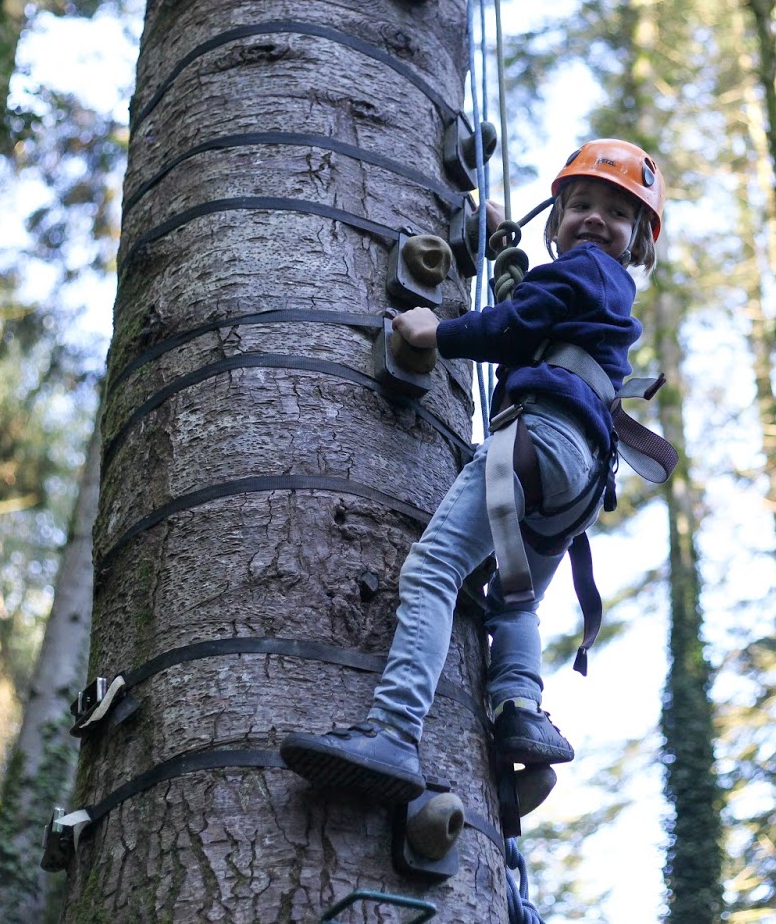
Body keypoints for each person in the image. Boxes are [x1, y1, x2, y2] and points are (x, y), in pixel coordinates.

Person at [280, 138, 665, 805]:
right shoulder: (596, 288)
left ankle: (394, 732)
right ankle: (519, 710)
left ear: (638, 241)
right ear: (558, 219)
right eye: (580, 205)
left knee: (433, 569)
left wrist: (435, 333)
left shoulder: (588, 272)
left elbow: (514, 327)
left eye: (616, 212)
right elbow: (535, 308)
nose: (596, 219)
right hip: (578, 478)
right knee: (514, 598)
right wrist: (502, 244)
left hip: (536, 442)